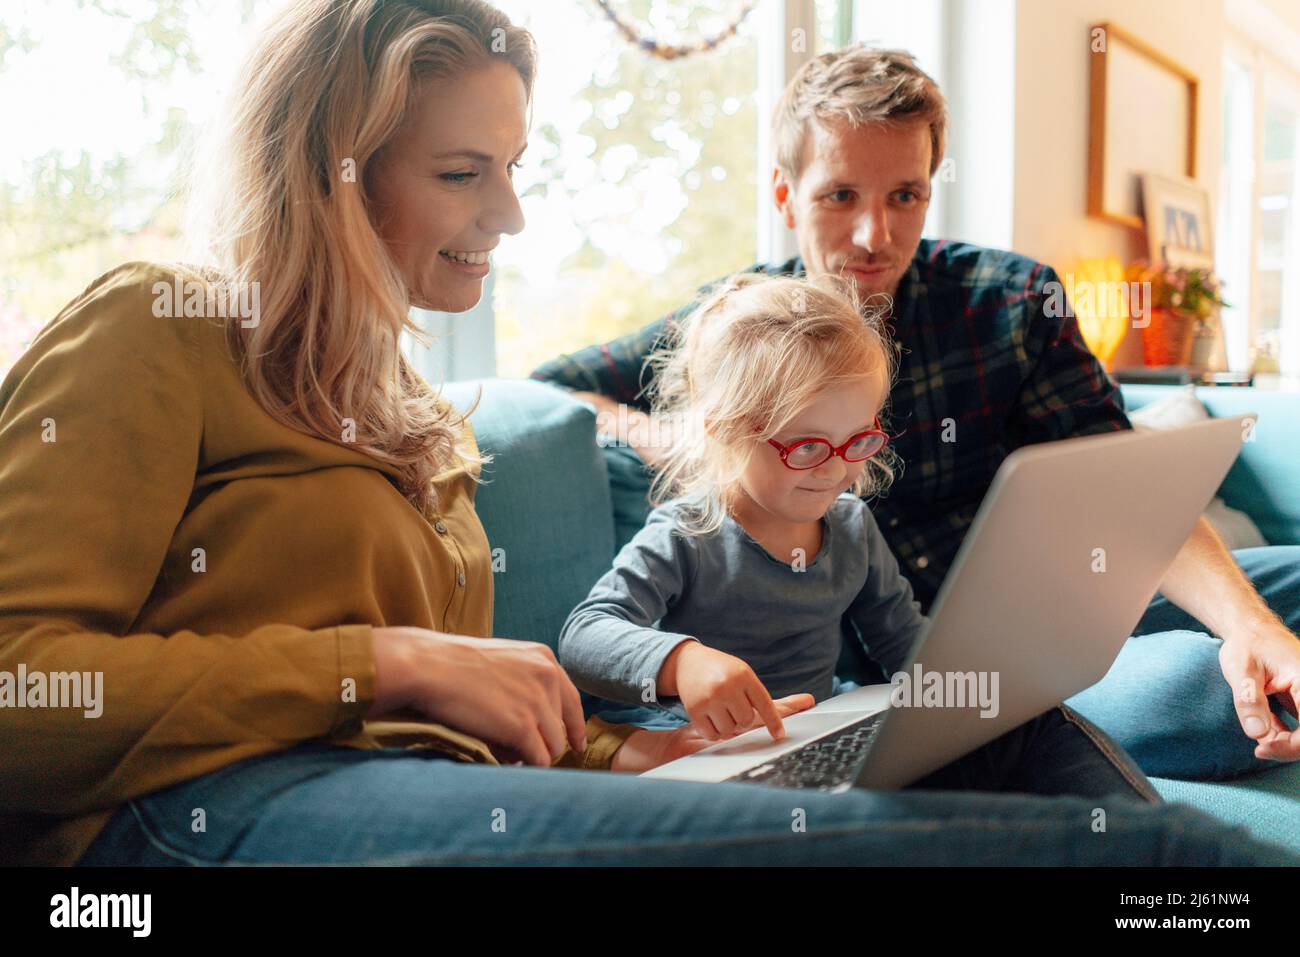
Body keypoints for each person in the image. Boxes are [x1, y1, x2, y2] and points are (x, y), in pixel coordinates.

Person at [2, 0, 1294, 868]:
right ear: (324, 164)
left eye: (514, 167)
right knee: (1155, 862)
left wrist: (641, 752)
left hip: (416, 779)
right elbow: (20, 694)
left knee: (1028, 761)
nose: (508, 217)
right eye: (463, 173)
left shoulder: (401, 413)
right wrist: (382, 661)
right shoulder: (160, 329)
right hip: (204, 801)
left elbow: (485, 711)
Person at [531, 45, 1300, 781]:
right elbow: (555, 383)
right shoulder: (743, 326)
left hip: (1072, 611)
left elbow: (1131, 494)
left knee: (1272, 608)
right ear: (784, 194)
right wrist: (661, 435)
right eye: (839, 196)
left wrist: (1252, 626)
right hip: (937, 680)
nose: (875, 236)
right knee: (1199, 695)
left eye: (906, 195)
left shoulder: (1012, 301)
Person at [558, 270, 1163, 802]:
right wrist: (681, 662)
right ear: (725, 433)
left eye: (858, 441)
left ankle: (1153, 861)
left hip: (821, 738)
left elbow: (904, 642)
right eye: (808, 446)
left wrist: (984, 685)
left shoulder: (849, 525)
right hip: (702, 758)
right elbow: (584, 636)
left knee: (1036, 727)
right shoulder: (689, 534)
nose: (836, 469)